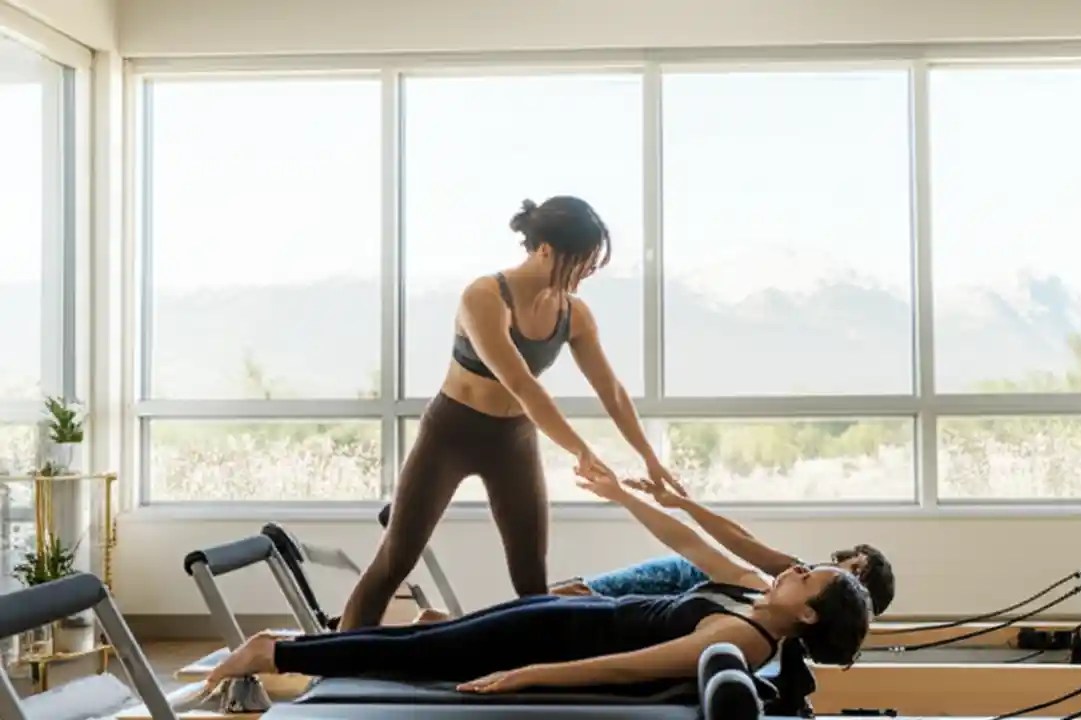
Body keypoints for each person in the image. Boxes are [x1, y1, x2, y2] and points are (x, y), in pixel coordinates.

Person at [339, 196, 684, 631]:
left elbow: (612, 392)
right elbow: (522, 386)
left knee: (532, 578)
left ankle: (535, 681)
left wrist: (650, 459)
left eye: (591, 263)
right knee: (394, 561)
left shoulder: (573, 314)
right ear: (544, 250)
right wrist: (580, 450)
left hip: (512, 441)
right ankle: (330, 666)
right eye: (578, 262)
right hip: (451, 433)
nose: (584, 273)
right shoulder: (484, 297)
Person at [205, 474, 871, 696]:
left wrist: (529, 675)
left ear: (808, 616)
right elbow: (688, 543)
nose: (796, 566)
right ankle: (278, 650)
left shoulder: (742, 637)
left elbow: (622, 667)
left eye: (808, 577)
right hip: (557, 615)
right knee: (419, 654)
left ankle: (279, 650)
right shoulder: (751, 593)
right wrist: (619, 494)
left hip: (552, 633)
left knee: (419, 657)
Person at [412, 480, 894, 624]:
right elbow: (732, 539)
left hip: (694, 587)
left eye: (850, 570)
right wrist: (678, 502)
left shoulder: (800, 596)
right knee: (570, 593)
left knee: (573, 596)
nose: (833, 567)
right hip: (693, 576)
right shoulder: (794, 575)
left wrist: (672, 503)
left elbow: (731, 542)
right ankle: (459, 624)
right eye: (844, 562)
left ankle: (455, 624)